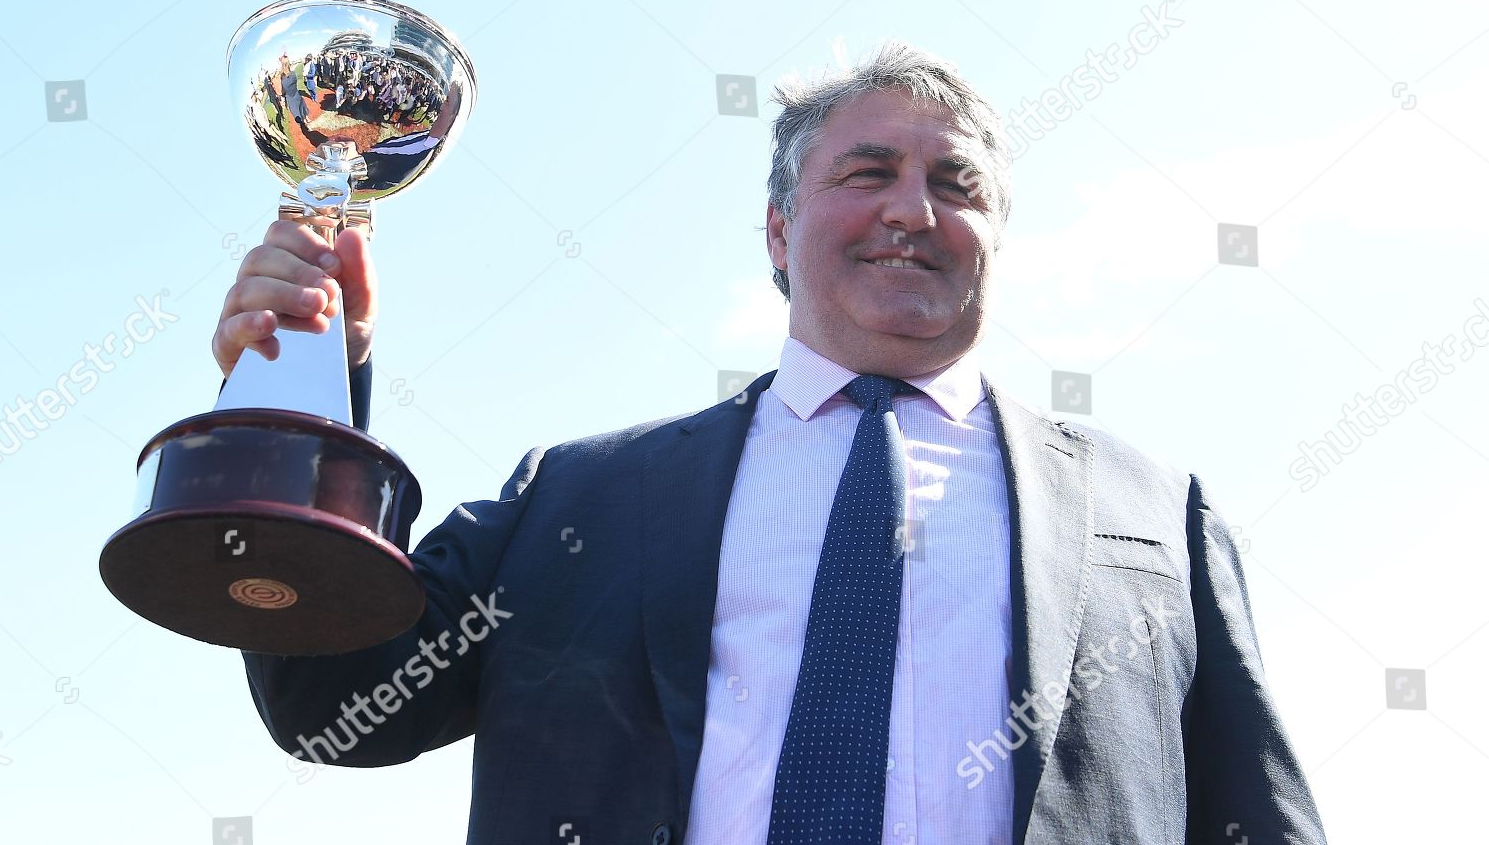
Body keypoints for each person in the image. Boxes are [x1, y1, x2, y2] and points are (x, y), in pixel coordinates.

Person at [214, 41, 1327, 844]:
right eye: (867, 173)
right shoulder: (575, 497)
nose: (914, 210)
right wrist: (299, 394)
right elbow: (333, 703)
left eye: (956, 184)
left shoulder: (1154, 511)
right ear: (780, 231)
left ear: (996, 235)